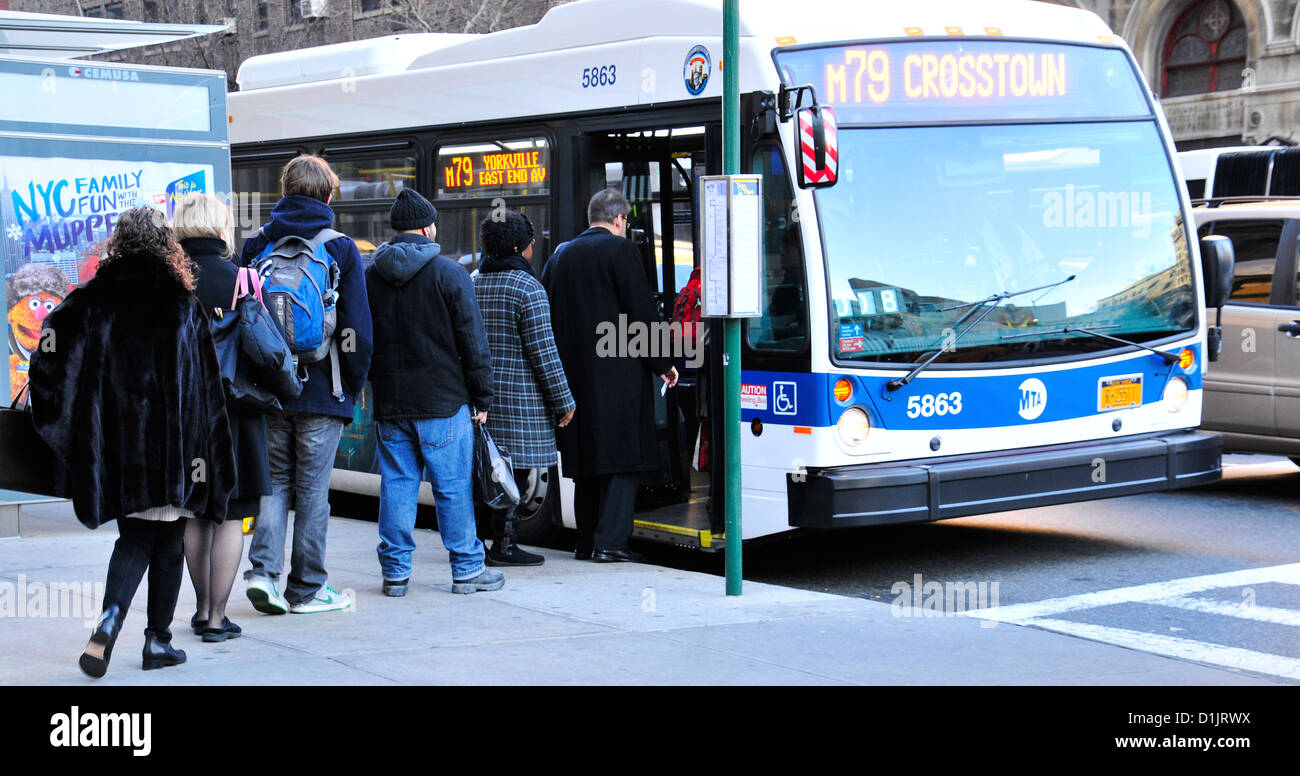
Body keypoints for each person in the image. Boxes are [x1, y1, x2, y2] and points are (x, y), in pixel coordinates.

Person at [28, 206, 236, 677]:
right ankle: (157, 642)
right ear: (167, 244)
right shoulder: (184, 302)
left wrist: (70, 416)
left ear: (118, 243)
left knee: (133, 539)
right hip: (175, 453)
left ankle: (108, 622)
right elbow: (207, 388)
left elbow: (51, 346)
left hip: (120, 451)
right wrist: (212, 462)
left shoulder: (93, 298)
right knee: (169, 544)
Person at [239, 155, 373, 615]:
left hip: (269, 389)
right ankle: (307, 588)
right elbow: (358, 330)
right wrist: (350, 388)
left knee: (273, 484)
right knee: (313, 491)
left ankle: (263, 576)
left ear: (284, 190)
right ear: (329, 196)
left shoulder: (256, 244)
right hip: (322, 390)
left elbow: (243, 320)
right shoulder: (341, 248)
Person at [366, 189, 503, 595]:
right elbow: (472, 342)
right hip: (444, 402)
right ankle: (466, 569)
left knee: (397, 486)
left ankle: (395, 574)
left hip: (391, 402)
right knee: (452, 487)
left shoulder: (371, 274)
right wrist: (482, 398)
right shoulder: (450, 274)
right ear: (428, 227)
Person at [543, 188, 677, 562]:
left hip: (571, 379)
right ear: (619, 220)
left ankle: (585, 543)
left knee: (586, 463)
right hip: (617, 378)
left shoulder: (561, 255)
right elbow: (640, 314)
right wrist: (663, 363)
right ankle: (611, 543)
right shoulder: (621, 250)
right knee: (622, 460)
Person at [173, 193, 267, 642]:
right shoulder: (245, 280)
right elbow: (265, 346)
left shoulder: (168, 280)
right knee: (230, 515)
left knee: (195, 512)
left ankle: (197, 609)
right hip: (238, 412)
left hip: (186, 413)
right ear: (221, 228)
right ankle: (216, 618)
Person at [473, 210, 575, 566]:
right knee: (512, 475)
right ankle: (505, 545)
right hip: (520, 400)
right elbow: (544, 353)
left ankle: (480, 545)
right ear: (521, 247)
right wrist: (564, 401)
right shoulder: (527, 288)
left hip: (479, 399)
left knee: (486, 472)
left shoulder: (473, 281)